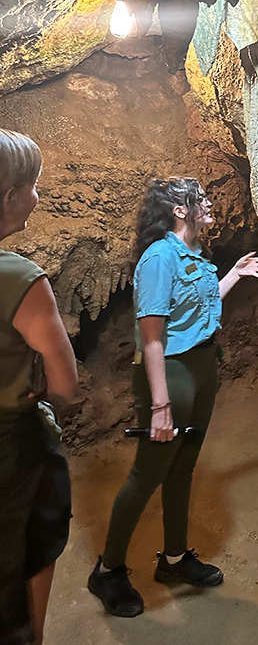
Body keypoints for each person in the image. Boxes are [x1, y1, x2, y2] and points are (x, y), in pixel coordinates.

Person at [88, 177, 258, 617]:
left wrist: (234, 276)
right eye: (201, 200)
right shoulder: (158, 259)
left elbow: (201, 308)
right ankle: (108, 569)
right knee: (147, 472)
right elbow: (151, 338)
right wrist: (160, 403)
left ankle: (174, 559)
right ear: (178, 209)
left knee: (183, 467)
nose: (209, 205)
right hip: (170, 374)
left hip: (202, 368)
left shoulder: (194, 255)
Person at [0, 130, 79, 645]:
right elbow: (66, 385)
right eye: (33, 185)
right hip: (13, 451)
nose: (38, 196)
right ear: (7, 198)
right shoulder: (19, 279)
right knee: (27, 551)